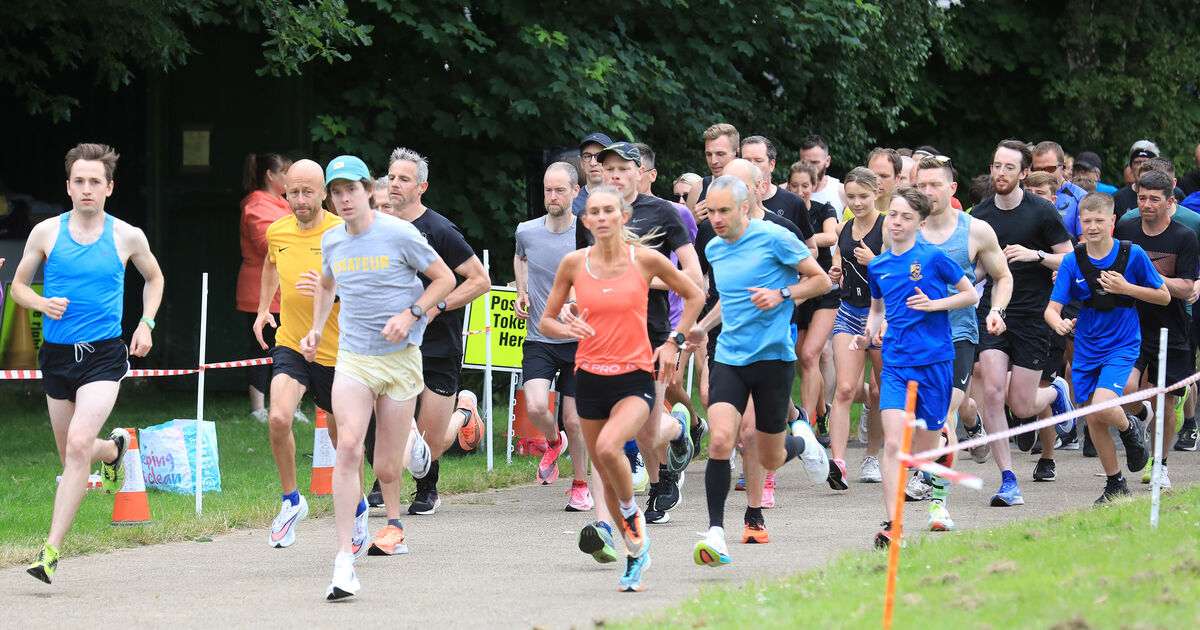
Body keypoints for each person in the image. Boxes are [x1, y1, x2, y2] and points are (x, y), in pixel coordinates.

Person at [301, 155, 456, 600]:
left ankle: (422, 453)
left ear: (370, 190)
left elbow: (444, 279)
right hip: (353, 358)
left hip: (402, 360)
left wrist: (412, 314)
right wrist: (315, 328)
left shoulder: (400, 234)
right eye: (336, 191)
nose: (344, 198)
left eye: (352, 189)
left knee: (388, 466)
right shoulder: (332, 241)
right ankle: (343, 562)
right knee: (347, 445)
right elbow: (328, 285)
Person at [540, 185, 703, 592]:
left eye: (609, 210)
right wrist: (567, 326)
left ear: (623, 216)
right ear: (585, 220)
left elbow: (695, 293)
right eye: (593, 211)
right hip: (590, 376)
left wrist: (674, 341)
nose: (600, 217)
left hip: (635, 374)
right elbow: (546, 322)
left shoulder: (645, 260)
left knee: (611, 448)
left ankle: (631, 514)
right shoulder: (573, 264)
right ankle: (636, 553)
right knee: (607, 475)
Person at [19, 143, 165, 583]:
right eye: (79, 181)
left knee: (78, 444)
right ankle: (116, 449)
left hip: (104, 355)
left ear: (109, 188)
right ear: (68, 187)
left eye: (95, 182)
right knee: (73, 451)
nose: (87, 189)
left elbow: (154, 278)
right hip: (58, 355)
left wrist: (146, 324)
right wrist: (42, 302)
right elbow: (18, 288)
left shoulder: (127, 235)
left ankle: (50, 551)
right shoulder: (46, 232)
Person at [688, 175, 833, 565]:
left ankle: (802, 443)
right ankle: (716, 533)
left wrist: (782, 293)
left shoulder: (774, 238)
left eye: (724, 211)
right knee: (721, 440)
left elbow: (819, 280)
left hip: (773, 359)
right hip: (730, 357)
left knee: (767, 456)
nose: (715, 219)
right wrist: (704, 326)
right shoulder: (715, 247)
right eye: (711, 211)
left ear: (743, 206)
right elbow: (731, 301)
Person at [577, 142, 702, 525]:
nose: (614, 175)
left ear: (641, 172)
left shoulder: (665, 213)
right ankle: (655, 485)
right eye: (608, 168)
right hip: (604, 336)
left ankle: (679, 429)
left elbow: (694, 280)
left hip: (652, 333)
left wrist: (640, 280)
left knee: (648, 432)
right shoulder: (596, 214)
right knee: (618, 427)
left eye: (623, 169)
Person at [854, 187, 979, 548]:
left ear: (920, 223)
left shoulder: (935, 257)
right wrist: (867, 335)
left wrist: (936, 304)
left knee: (925, 450)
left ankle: (938, 497)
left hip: (936, 362)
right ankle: (894, 526)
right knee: (894, 444)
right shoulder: (877, 264)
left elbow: (970, 294)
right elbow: (877, 310)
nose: (896, 222)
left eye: (906, 217)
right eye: (892, 214)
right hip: (895, 363)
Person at [383, 147, 491, 517]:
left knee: (431, 438)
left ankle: (461, 420)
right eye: (392, 177)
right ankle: (387, 478)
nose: (395, 185)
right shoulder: (378, 228)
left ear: (422, 187)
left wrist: (437, 307)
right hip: (394, 344)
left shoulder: (439, 230)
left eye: (404, 179)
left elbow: (480, 281)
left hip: (438, 344)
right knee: (392, 421)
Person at [971, 139, 1074, 507]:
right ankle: (1008, 479)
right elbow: (977, 265)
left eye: (1009, 168)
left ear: (1024, 173)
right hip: (994, 313)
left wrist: (1037, 255)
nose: (1000, 173)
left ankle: (1056, 393)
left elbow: (1071, 261)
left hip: (1033, 315)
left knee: (1023, 404)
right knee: (994, 393)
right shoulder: (979, 215)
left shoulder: (1042, 212)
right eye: (996, 166)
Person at [1045, 192, 1166, 504]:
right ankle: (1115, 483)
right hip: (1085, 347)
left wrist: (1127, 288)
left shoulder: (1133, 254)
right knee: (1095, 418)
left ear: (1113, 221)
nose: (1093, 226)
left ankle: (1131, 427)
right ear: (1080, 223)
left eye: (1099, 220)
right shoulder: (1074, 260)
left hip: (1122, 344)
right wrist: (1058, 323)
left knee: (1102, 405)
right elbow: (1052, 308)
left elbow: (1164, 295)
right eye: (1087, 221)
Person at [915, 156, 1013, 530]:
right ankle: (973, 426)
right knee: (933, 417)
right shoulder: (903, 228)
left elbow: (1002, 277)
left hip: (958, 335)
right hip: (914, 338)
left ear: (951, 189)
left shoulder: (977, 230)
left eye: (934, 185)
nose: (927, 193)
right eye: (920, 186)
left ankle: (939, 504)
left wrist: (997, 311)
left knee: (943, 415)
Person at [252, 159, 345, 549]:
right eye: (294, 192)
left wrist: (331, 290)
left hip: (338, 352)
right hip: (291, 341)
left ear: (324, 193)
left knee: (348, 445)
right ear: (284, 193)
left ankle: (355, 511)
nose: (301, 200)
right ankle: (292, 501)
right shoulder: (278, 231)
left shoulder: (343, 232)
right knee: (277, 417)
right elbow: (271, 266)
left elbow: (369, 286)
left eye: (309, 192)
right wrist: (262, 310)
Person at [514, 162, 592, 510]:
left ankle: (580, 484)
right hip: (540, 336)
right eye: (548, 189)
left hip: (578, 340)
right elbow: (521, 258)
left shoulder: (588, 231)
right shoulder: (527, 231)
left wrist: (578, 302)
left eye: (560, 190)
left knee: (575, 419)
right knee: (534, 405)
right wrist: (521, 291)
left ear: (576, 192)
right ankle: (551, 440)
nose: (552, 196)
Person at [1115, 169, 1199, 489]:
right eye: (1141, 198)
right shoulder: (1126, 227)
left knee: (1166, 399)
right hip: (1130, 324)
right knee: (1124, 391)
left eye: (1154, 200)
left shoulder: (1183, 237)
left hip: (1171, 327)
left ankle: (1160, 464)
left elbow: (1186, 287)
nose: (1146, 205)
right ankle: (1143, 416)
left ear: (1169, 202)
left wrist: (1149, 277)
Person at [829, 167, 886, 485]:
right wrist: (836, 270)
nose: (857, 202)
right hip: (849, 311)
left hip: (880, 315)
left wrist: (874, 260)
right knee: (846, 388)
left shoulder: (889, 225)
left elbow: (902, 270)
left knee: (878, 391)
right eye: (851, 197)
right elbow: (840, 254)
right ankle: (837, 463)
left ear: (876, 192)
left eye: (863, 196)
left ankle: (871, 457)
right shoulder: (845, 227)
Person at [784, 161, 840, 451]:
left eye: (806, 185)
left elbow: (832, 236)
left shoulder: (823, 209)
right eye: (795, 186)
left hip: (825, 288)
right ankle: (823, 413)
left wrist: (797, 239)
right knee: (800, 356)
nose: (801, 191)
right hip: (797, 290)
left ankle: (802, 426)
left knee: (809, 354)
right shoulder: (785, 210)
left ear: (815, 185)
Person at [237, 152, 293, 422]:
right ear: (271, 176)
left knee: (287, 346)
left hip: (287, 288)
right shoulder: (255, 205)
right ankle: (259, 408)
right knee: (262, 345)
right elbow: (266, 245)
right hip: (261, 288)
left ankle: (284, 405)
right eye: (286, 172)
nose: (290, 178)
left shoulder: (284, 203)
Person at [1031, 141, 1087, 238]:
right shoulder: (1025, 194)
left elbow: (1085, 243)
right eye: (1038, 170)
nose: (1044, 174)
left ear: (1063, 166)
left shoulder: (1080, 197)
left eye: (1050, 169)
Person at [685, 123, 741, 222]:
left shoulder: (751, 188)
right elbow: (685, 235)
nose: (713, 161)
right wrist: (692, 222)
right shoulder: (698, 189)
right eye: (709, 154)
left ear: (737, 153)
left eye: (720, 154)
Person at [800, 134, 849, 213]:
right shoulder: (787, 190)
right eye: (804, 163)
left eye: (815, 162)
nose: (809, 167)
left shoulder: (841, 191)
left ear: (827, 161)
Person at [572, 132, 614, 216]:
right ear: (581, 163)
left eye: (599, 156)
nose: (593, 163)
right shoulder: (572, 201)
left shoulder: (623, 197)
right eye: (587, 156)